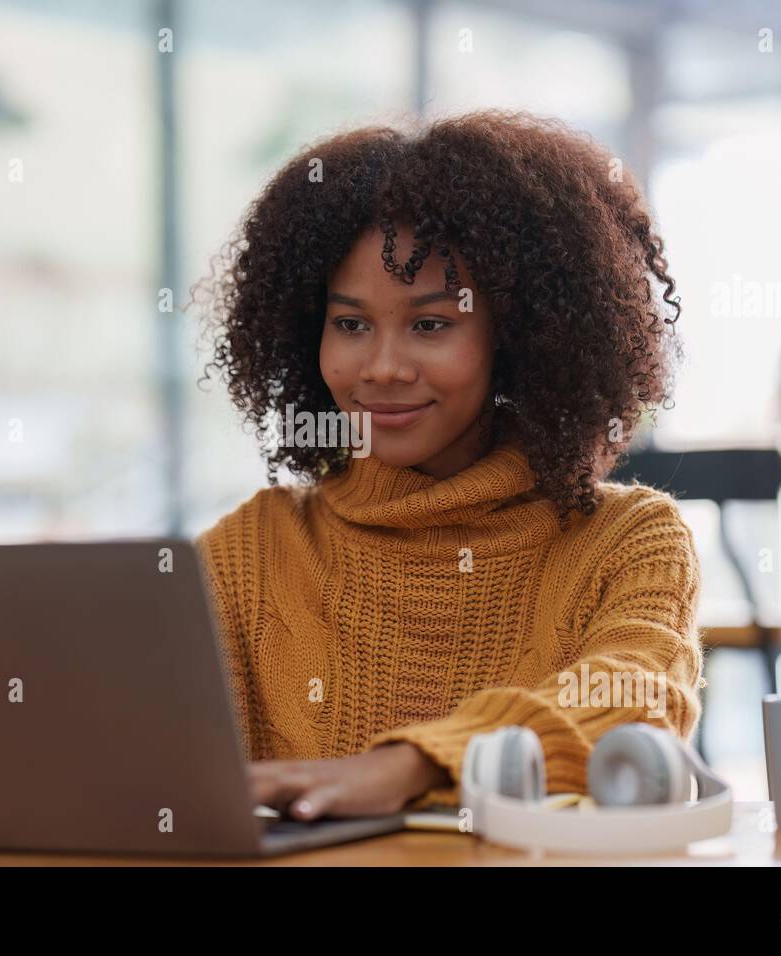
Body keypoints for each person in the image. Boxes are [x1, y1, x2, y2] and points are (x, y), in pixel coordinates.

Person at [190, 109, 704, 822]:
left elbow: (634, 702)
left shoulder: (628, 541)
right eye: (350, 324)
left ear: (518, 337)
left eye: (430, 325)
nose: (383, 367)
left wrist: (415, 766)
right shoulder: (249, 552)